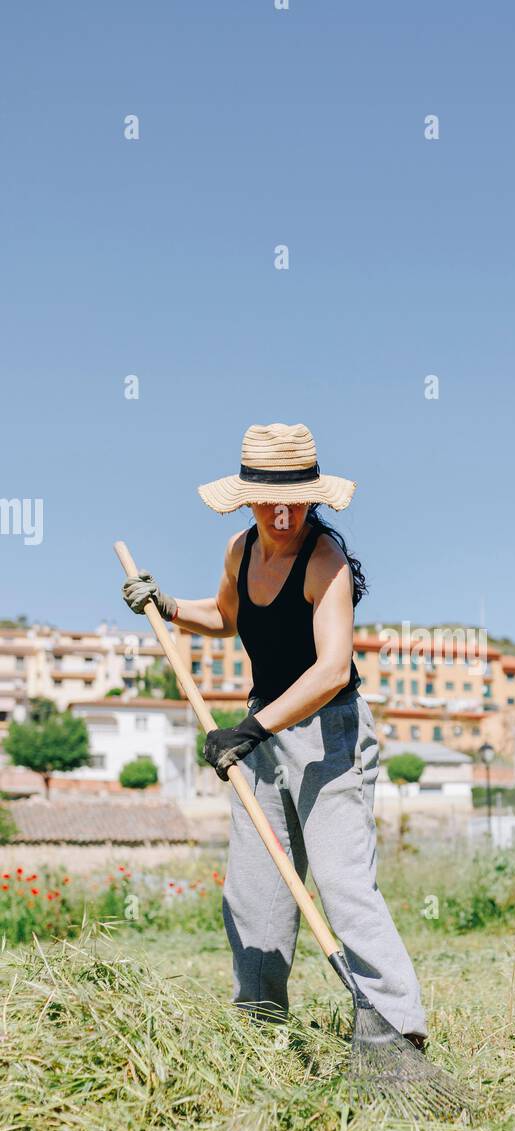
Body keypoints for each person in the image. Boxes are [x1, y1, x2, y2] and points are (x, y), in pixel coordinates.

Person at [122, 422, 427, 1044]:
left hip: (328, 737)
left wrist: (250, 728)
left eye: (295, 497)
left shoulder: (325, 561)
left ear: (313, 496)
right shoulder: (240, 549)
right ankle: (260, 1030)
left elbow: (332, 669)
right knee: (256, 888)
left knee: (343, 883)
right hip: (261, 729)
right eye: (268, 498)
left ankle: (397, 1028)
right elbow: (226, 616)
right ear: (247, 498)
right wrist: (168, 606)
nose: (282, 511)